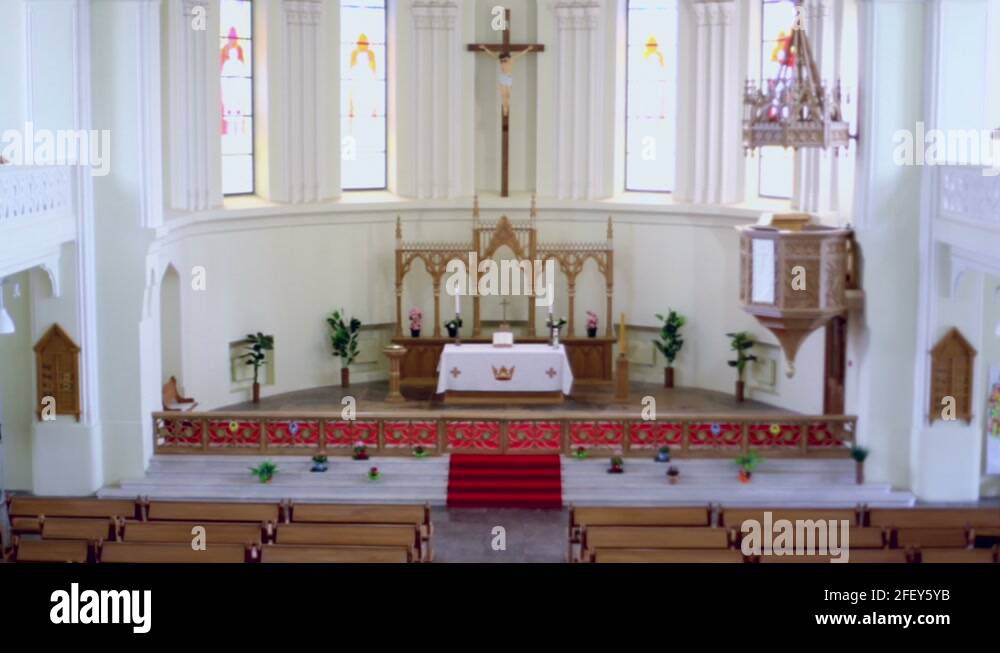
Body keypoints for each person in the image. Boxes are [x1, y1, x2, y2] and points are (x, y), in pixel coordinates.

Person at [477, 44, 534, 117]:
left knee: (508, 96)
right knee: (503, 96)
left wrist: (528, 49)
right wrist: (485, 48)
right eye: (503, 59)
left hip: (509, 78)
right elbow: (492, 54)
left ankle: (507, 107)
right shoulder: (500, 60)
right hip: (503, 78)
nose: (504, 60)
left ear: (508, 57)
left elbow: (520, 54)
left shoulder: (511, 59)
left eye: (505, 59)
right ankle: (505, 110)